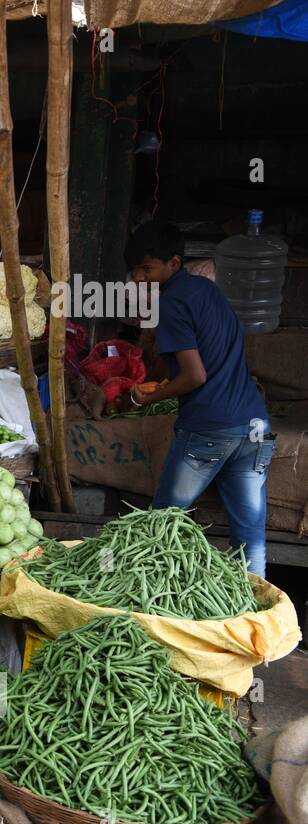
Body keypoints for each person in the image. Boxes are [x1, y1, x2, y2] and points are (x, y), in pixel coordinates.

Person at [125, 220, 275, 577]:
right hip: (254, 427)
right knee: (250, 532)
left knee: (161, 522)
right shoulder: (206, 291)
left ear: (173, 263)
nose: (139, 277)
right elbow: (204, 356)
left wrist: (151, 397)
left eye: (147, 268)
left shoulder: (171, 304)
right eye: (135, 270)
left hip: (210, 429)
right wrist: (164, 376)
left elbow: (195, 375)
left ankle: (149, 601)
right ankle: (253, 613)